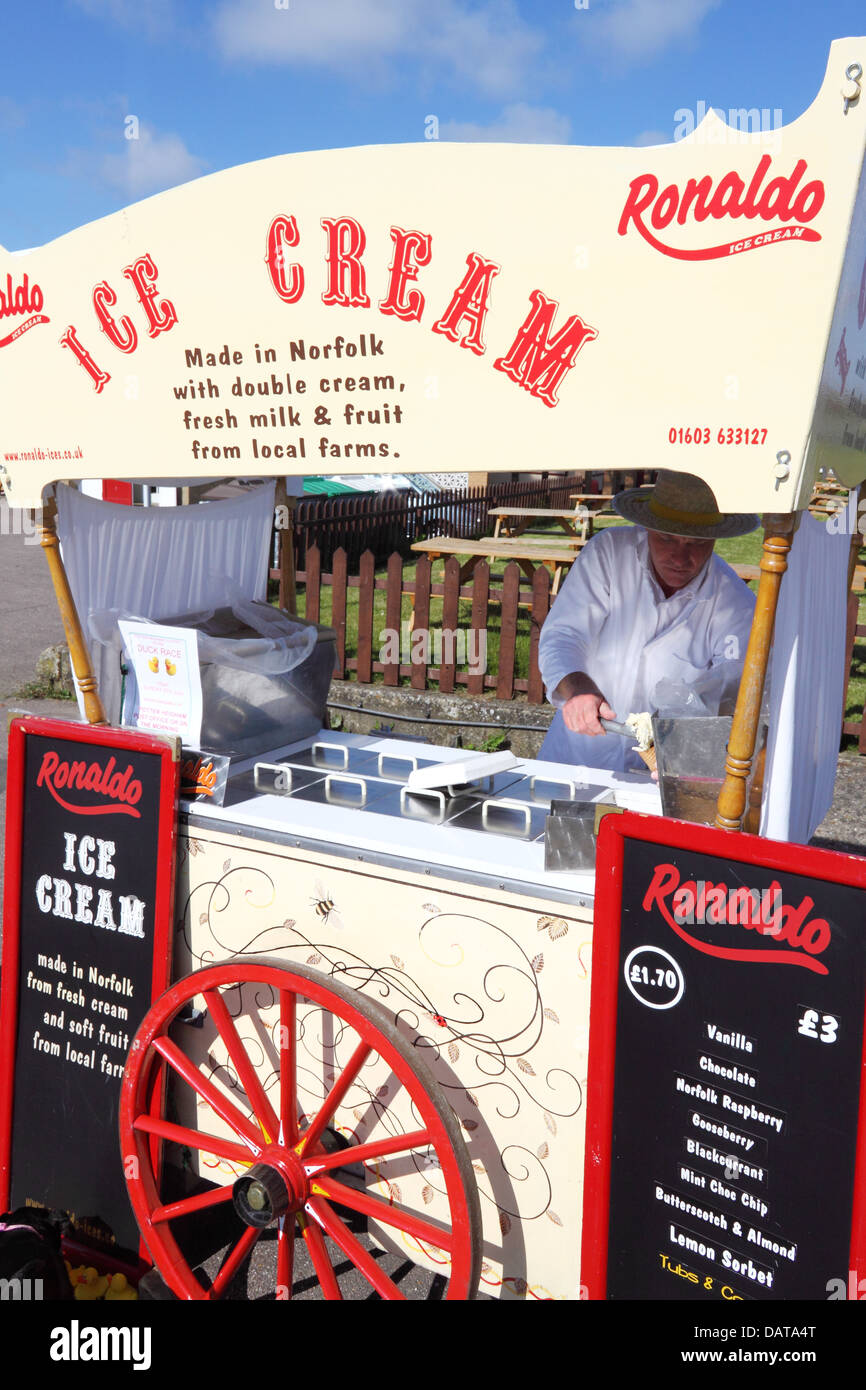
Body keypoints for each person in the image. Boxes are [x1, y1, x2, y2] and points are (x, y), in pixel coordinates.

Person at [538, 470, 759, 772]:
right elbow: (563, 635)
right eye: (667, 538)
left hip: (665, 776)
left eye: (696, 543)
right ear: (647, 527)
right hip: (573, 760)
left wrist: (688, 746)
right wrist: (578, 690)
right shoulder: (610, 554)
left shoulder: (735, 604)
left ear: (716, 538)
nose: (679, 558)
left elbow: (734, 690)